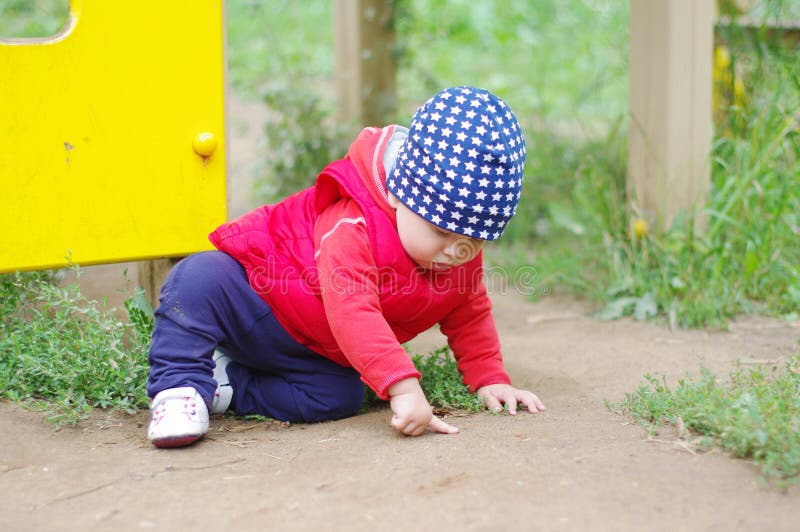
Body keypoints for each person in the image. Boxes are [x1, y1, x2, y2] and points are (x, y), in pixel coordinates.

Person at [146, 86, 546, 448]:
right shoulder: (354, 223)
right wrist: (404, 388)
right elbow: (352, 309)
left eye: (473, 240)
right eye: (441, 231)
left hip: (313, 347)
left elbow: (469, 312)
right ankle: (179, 386)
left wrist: (490, 378)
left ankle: (224, 385)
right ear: (398, 196)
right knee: (199, 279)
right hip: (258, 295)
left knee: (339, 396)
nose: (456, 251)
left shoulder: (456, 252)